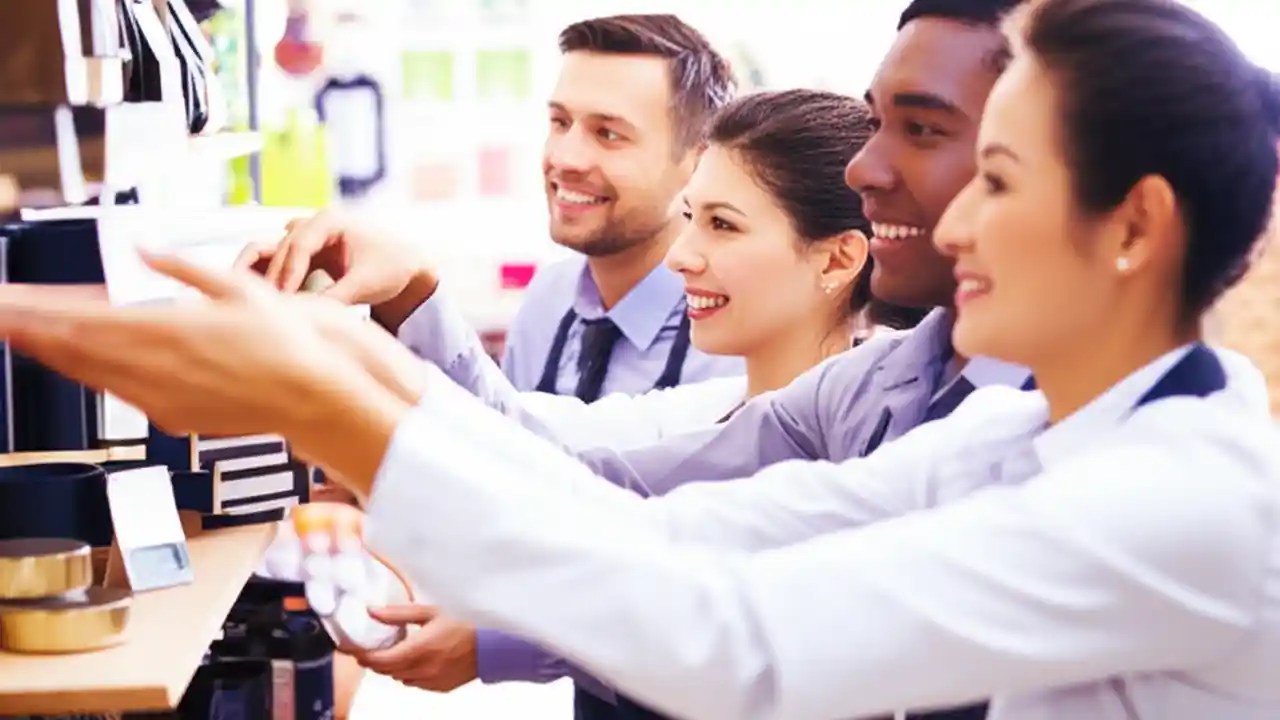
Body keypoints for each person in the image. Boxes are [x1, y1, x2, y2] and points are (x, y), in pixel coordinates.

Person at [2, 1, 1278, 720]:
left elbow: (741, 646)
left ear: (1133, 227)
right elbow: (674, 530)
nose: (941, 222)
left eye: (989, 177)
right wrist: (342, 363)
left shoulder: (1175, 500)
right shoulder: (1022, 432)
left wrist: (322, 398)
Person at [257, 87, 890, 709]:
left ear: (837, 260)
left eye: (723, 226)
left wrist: (509, 639)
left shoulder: (872, 456)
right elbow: (542, 453)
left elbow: (724, 629)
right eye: (692, 218)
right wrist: (406, 296)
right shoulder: (711, 411)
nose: (681, 257)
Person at [245, 13, 744, 409]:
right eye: (560, 121)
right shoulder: (550, 301)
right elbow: (506, 461)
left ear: (698, 162)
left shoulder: (733, 337)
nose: (565, 158)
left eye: (608, 134)